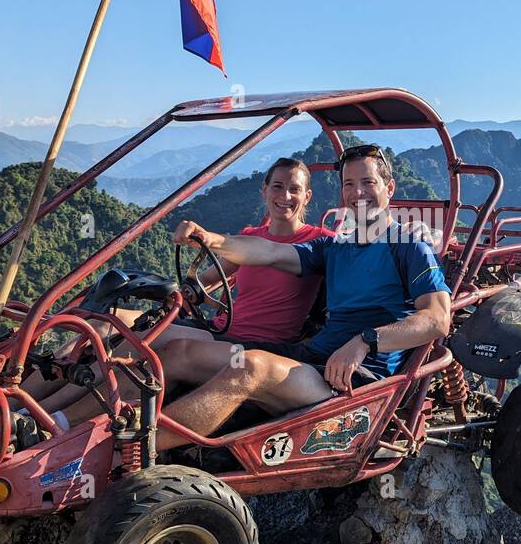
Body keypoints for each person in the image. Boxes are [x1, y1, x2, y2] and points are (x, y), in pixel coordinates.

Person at [50, 143, 452, 451]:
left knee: (251, 367)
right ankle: (58, 426)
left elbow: (437, 319)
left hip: (354, 383)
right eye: (349, 184)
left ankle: (126, 450)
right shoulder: (337, 247)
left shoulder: (407, 244)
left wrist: (365, 341)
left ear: (389, 189)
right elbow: (269, 251)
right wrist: (211, 239)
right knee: (176, 354)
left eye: (368, 182)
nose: (357, 192)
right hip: (310, 359)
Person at [18, 157, 332, 425]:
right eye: (278, 186)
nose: (285, 196)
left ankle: (47, 419)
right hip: (222, 331)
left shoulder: (320, 242)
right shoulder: (250, 237)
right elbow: (208, 278)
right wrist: (186, 293)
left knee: (143, 348)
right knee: (102, 322)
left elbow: (357, 266)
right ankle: (18, 400)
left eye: (294, 189)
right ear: (264, 190)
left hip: (259, 346)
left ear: (307, 196)